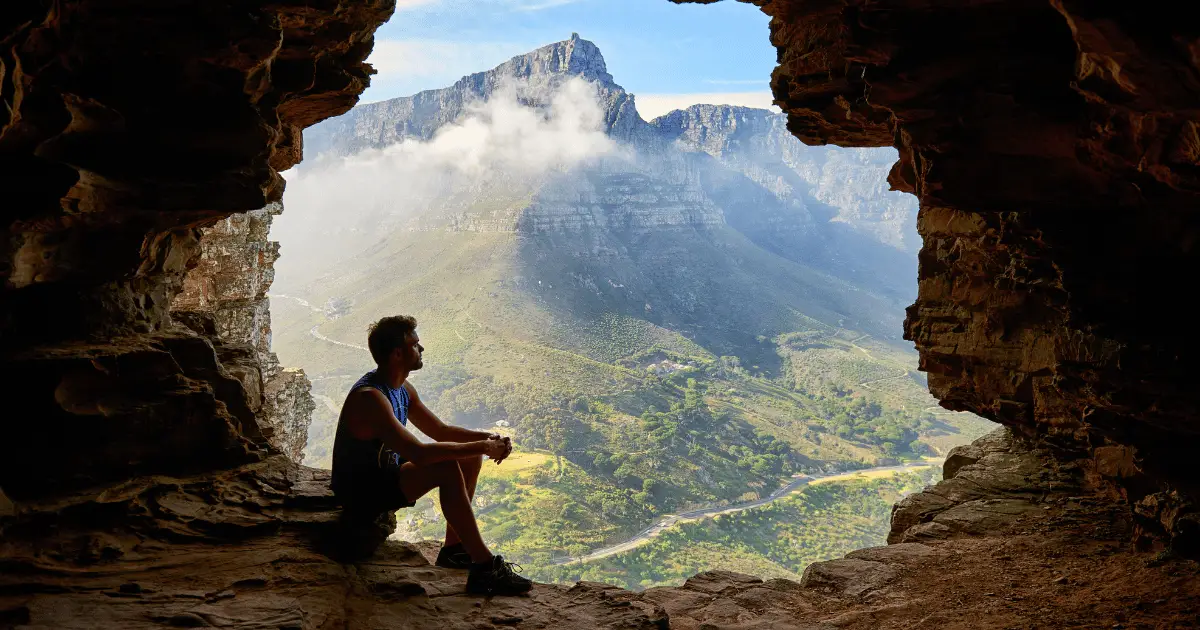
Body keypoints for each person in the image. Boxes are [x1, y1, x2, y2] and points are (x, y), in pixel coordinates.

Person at [330, 315, 532, 595]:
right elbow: (419, 453)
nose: (421, 349)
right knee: (447, 468)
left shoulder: (401, 389)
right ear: (398, 353)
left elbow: (440, 430)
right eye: (415, 344)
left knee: (468, 458)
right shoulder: (371, 398)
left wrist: (487, 439)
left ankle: (455, 550)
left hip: (385, 476)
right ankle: (485, 568)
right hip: (362, 491)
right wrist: (485, 448)